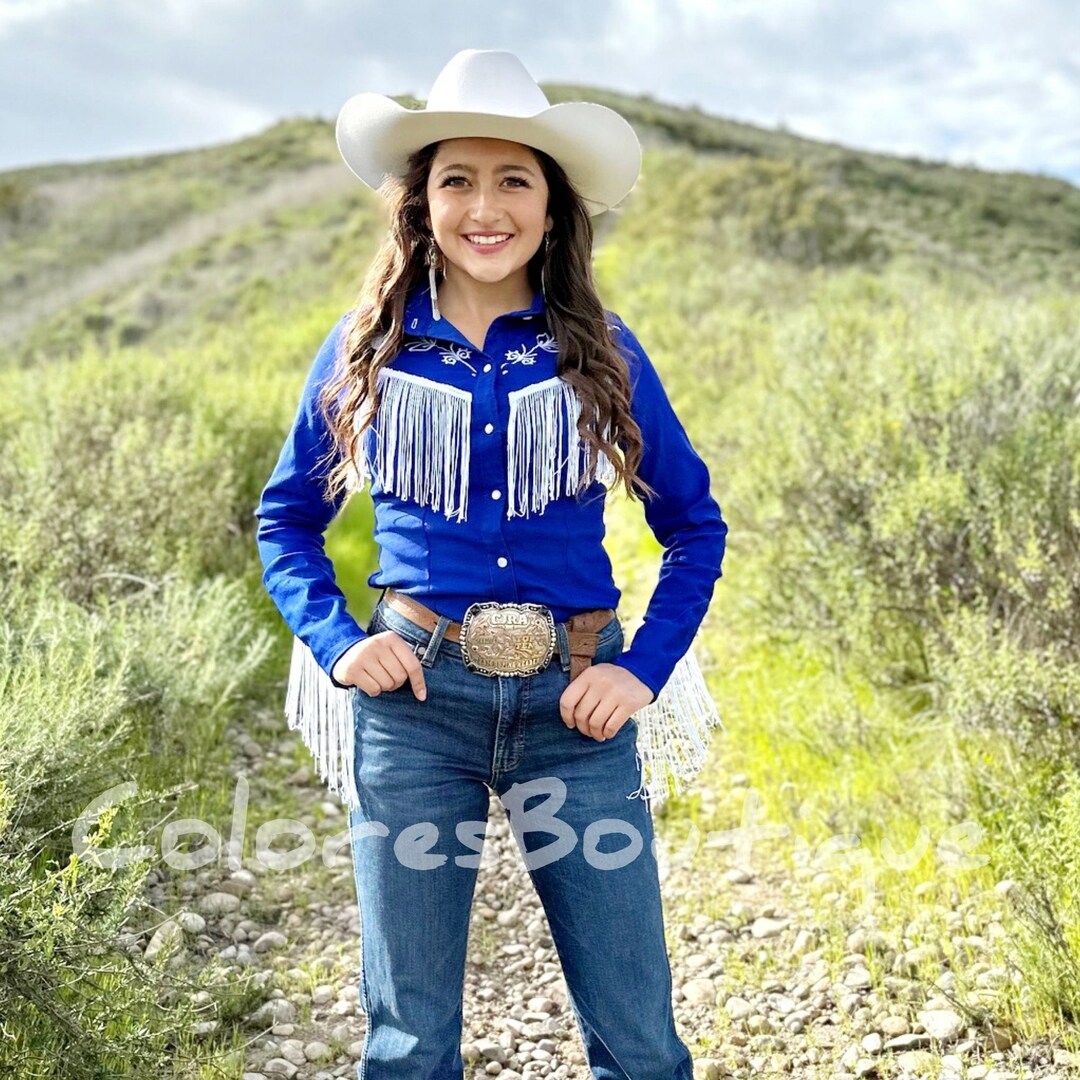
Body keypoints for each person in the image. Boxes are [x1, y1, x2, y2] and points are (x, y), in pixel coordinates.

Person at [254, 48, 727, 1080]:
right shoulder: (367, 350)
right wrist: (340, 645)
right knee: (410, 1042)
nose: (484, 206)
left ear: (551, 211)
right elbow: (285, 521)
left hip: (576, 712)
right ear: (421, 205)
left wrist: (640, 672)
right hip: (416, 707)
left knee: (640, 1040)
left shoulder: (604, 352)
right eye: (456, 179)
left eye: (514, 179)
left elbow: (695, 527)